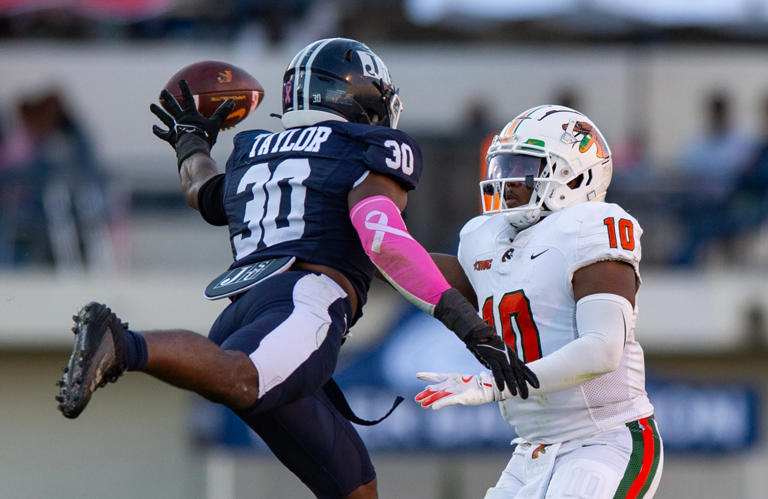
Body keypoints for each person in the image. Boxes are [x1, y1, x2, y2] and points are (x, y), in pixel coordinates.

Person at [55, 38, 537, 499]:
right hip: (305, 300)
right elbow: (385, 241)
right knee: (241, 377)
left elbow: (203, 192)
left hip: (244, 310)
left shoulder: (255, 149)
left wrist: (190, 143)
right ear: (361, 97)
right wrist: (470, 327)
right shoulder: (365, 145)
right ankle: (123, 344)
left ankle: (129, 346)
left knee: (354, 485)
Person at [415, 105, 663, 498]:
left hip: (603, 438)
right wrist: (366, 247)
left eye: (524, 167)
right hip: (531, 449)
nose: (508, 181)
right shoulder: (486, 237)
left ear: (575, 174)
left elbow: (602, 350)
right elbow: (426, 276)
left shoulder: (591, 227)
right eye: (504, 165)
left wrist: (491, 383)